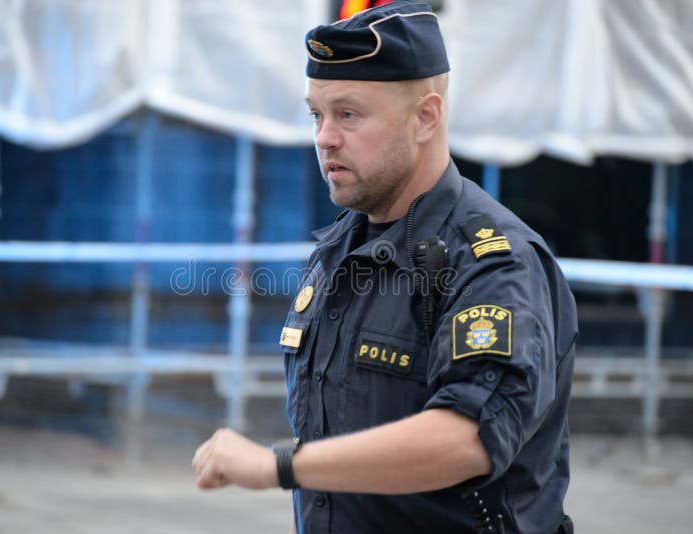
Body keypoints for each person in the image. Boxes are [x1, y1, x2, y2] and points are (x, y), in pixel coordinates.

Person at [192, 3, 577, 533]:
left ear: (426, 117)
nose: (325, 137)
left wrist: (278, 466)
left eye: (348, 115)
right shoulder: (340, 247)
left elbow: (467, 439)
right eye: (316, 115)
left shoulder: (492, 260)